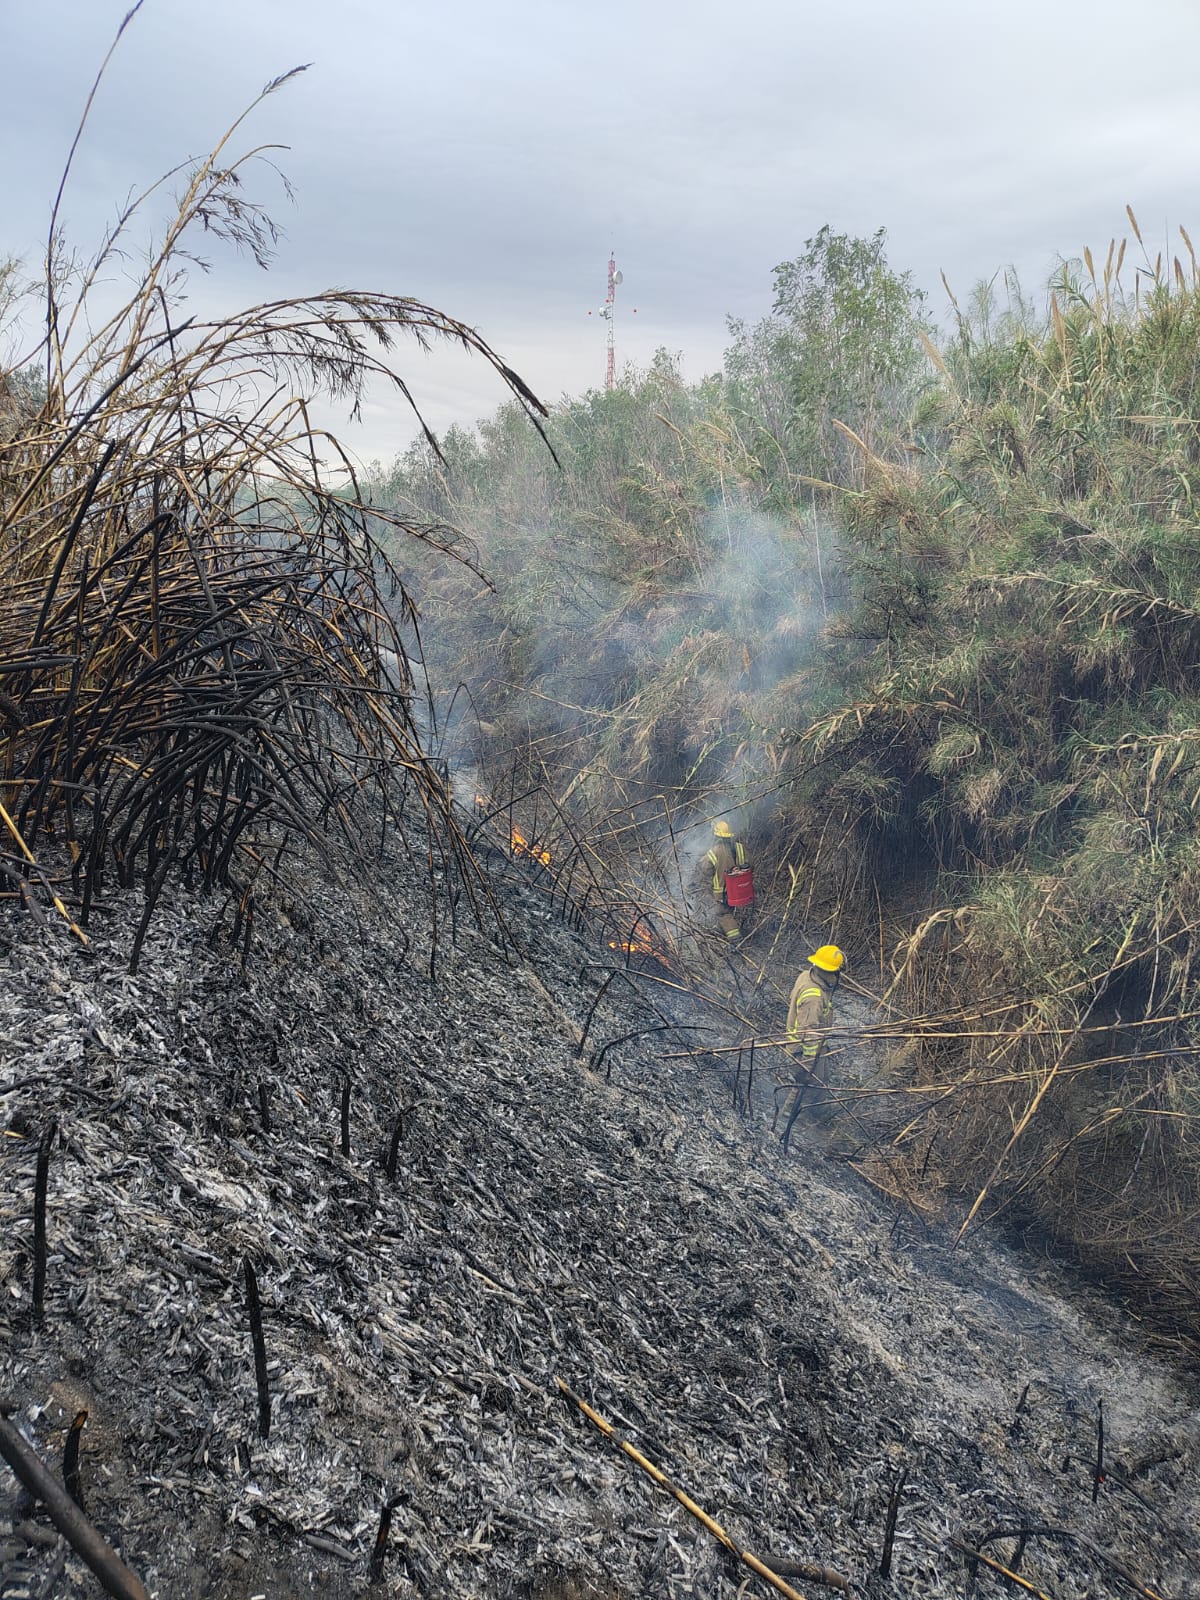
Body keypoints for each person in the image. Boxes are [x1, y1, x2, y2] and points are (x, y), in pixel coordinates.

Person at [775, 944, 844, 1143]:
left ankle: (804, 1113)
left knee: (817, 1082)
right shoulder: (814, 997)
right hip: (806, 1049)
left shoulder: (808, 975)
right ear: (831, 972)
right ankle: (792, 1118)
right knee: (808, 1082)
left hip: (811, 1045)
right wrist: (808, 1062)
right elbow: (810, 1033)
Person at [704, 819, 751, 941]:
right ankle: (723, 930)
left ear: (715, 835)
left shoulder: (713, 852)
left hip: (723, 891)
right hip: (741, 889)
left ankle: (735, 939)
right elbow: (749, 865)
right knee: (729, 910)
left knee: (723, 913)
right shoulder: (740, 848)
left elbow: (706, 870)